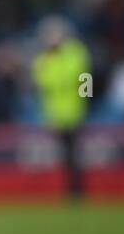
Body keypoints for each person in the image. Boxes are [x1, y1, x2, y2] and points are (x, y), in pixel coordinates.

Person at [32, 16, 91, 198]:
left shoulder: (75, 53)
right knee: (66, 156)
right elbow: (43, 88)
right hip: (56, 114)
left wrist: (84, 104)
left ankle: (77, 191)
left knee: (73, 155)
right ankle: (72, 191)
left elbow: (83, 81)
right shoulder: (44, 60)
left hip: (74, 112)